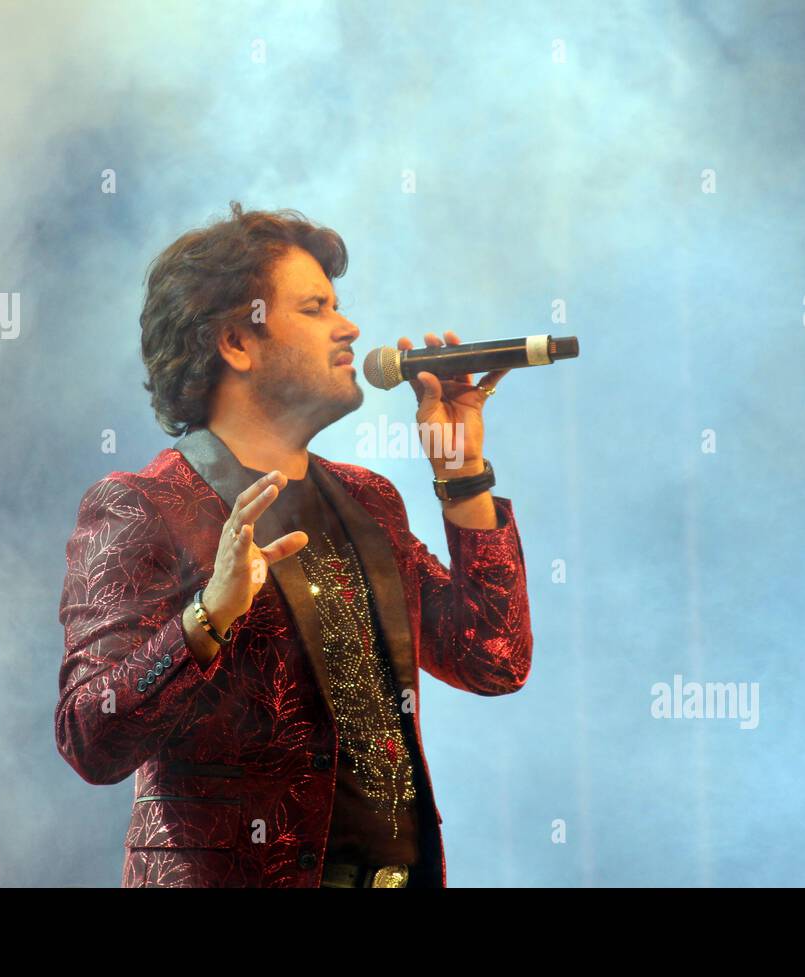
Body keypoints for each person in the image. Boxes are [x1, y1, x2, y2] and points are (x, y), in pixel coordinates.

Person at [55, 202, 533, 887]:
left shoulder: (370, 500)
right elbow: (89, 737)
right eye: (315, 308)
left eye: (338, 305)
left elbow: (493, 657)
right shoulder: (143, 507)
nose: (350, 327)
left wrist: (462, 478)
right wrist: (208, 616)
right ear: (236, 341)